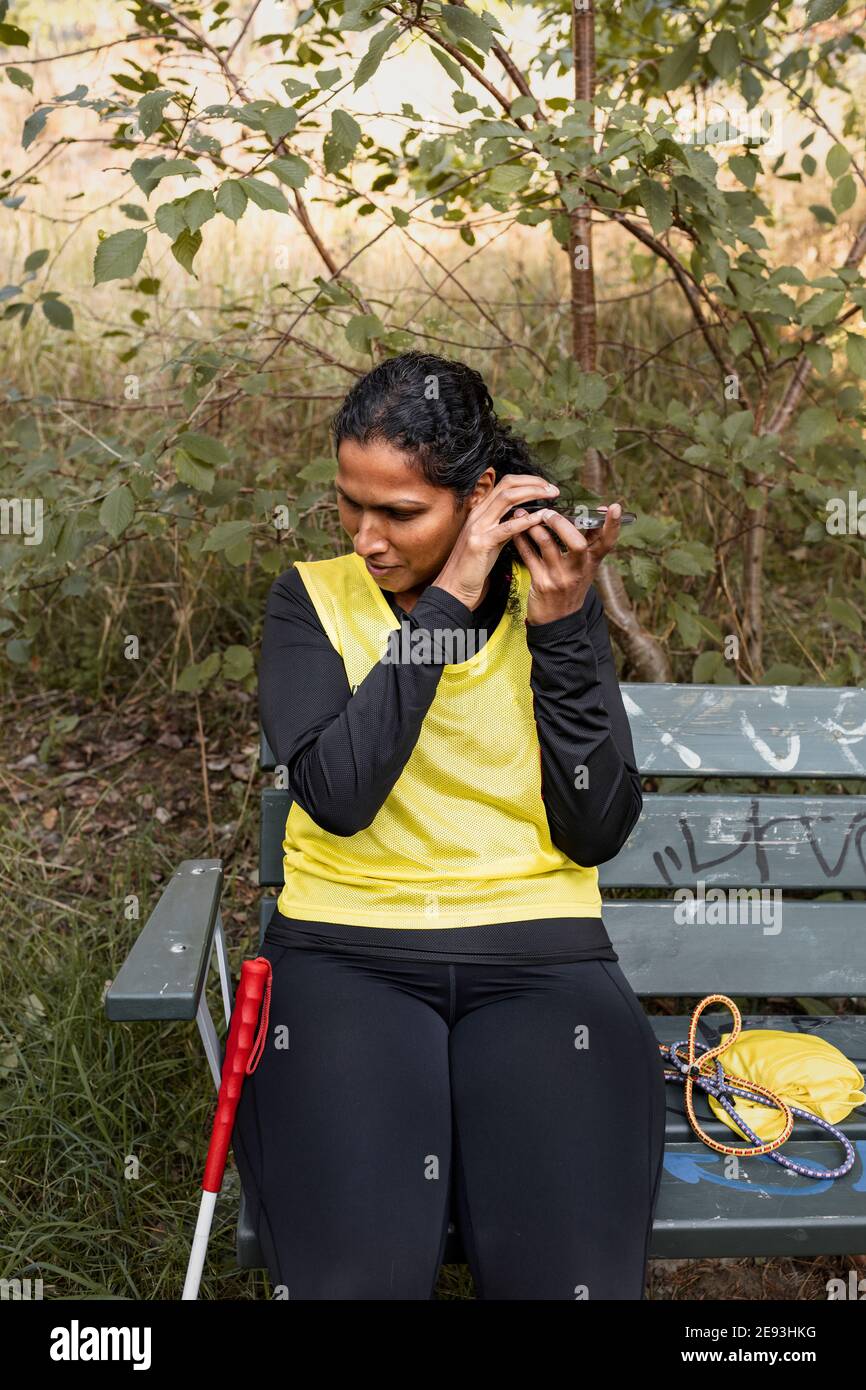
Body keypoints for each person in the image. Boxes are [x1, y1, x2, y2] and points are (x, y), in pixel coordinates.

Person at [232, 351, 666, 1300]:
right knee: (359, 1285)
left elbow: (595, 826)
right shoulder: (309, 601)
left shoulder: (551, 599)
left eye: (399, 512)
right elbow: (340, 797)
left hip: (543, 960)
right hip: (347, 956)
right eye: (350, 503)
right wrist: (446, 603)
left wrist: (563, 629)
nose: (366, 538)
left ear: (477, 497)